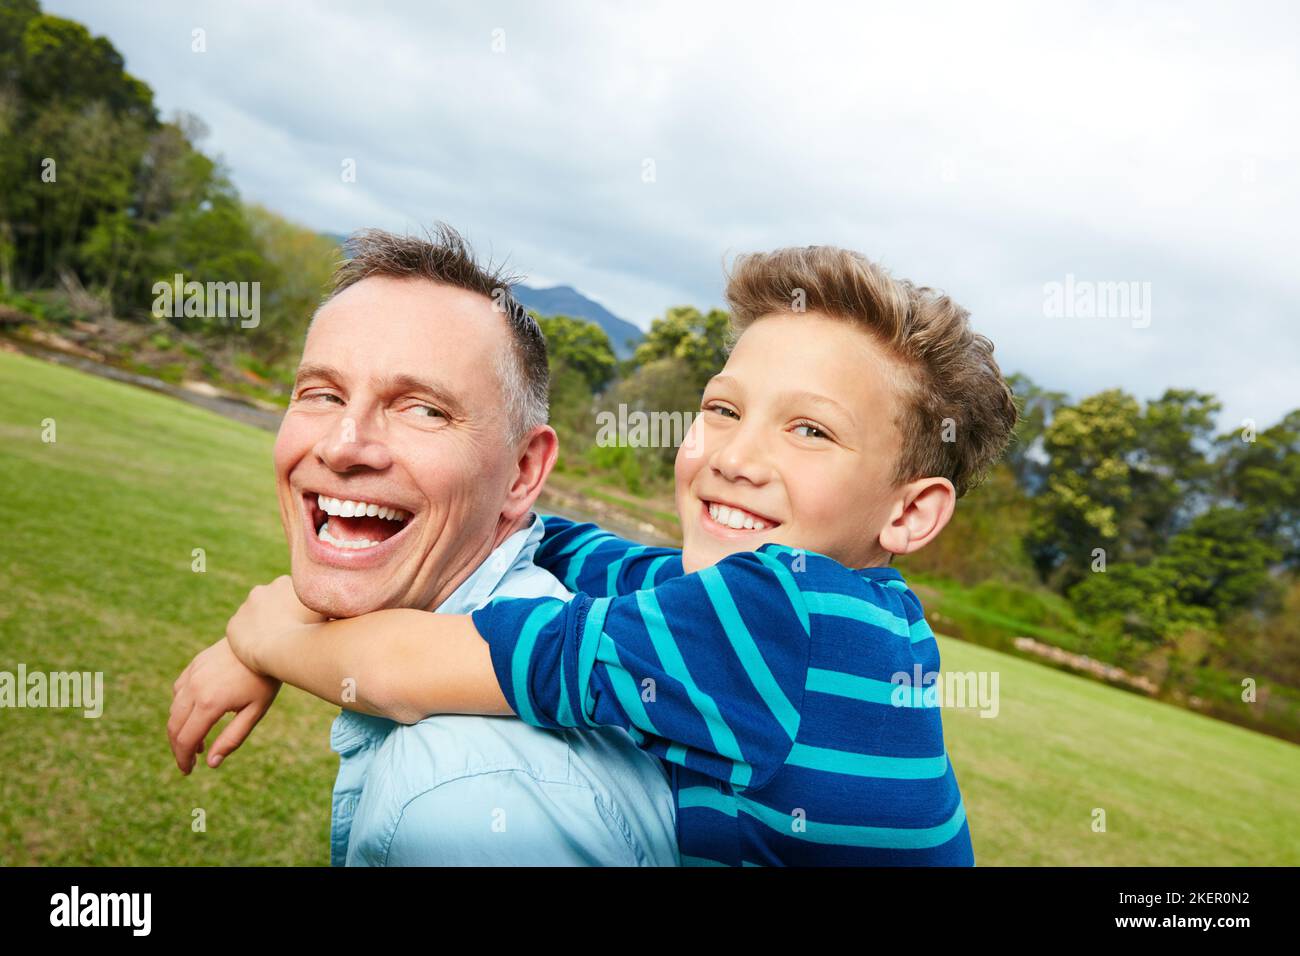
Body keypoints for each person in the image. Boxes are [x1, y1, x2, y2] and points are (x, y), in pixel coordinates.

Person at [220, 244, 1020, 865]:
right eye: (723, 409)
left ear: (910, 512)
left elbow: (416, 669)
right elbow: (572, 547)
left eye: (809, 430)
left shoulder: (786, 613)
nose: (735, 457)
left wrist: (266, 636)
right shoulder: (811, 610)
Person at [168, 225, 677, 866]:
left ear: (523, 472)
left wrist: (272, 640)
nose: (341, 445)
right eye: (322, 394)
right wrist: (273, 631)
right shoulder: (563, 579)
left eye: (423, 409)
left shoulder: (467, 801)